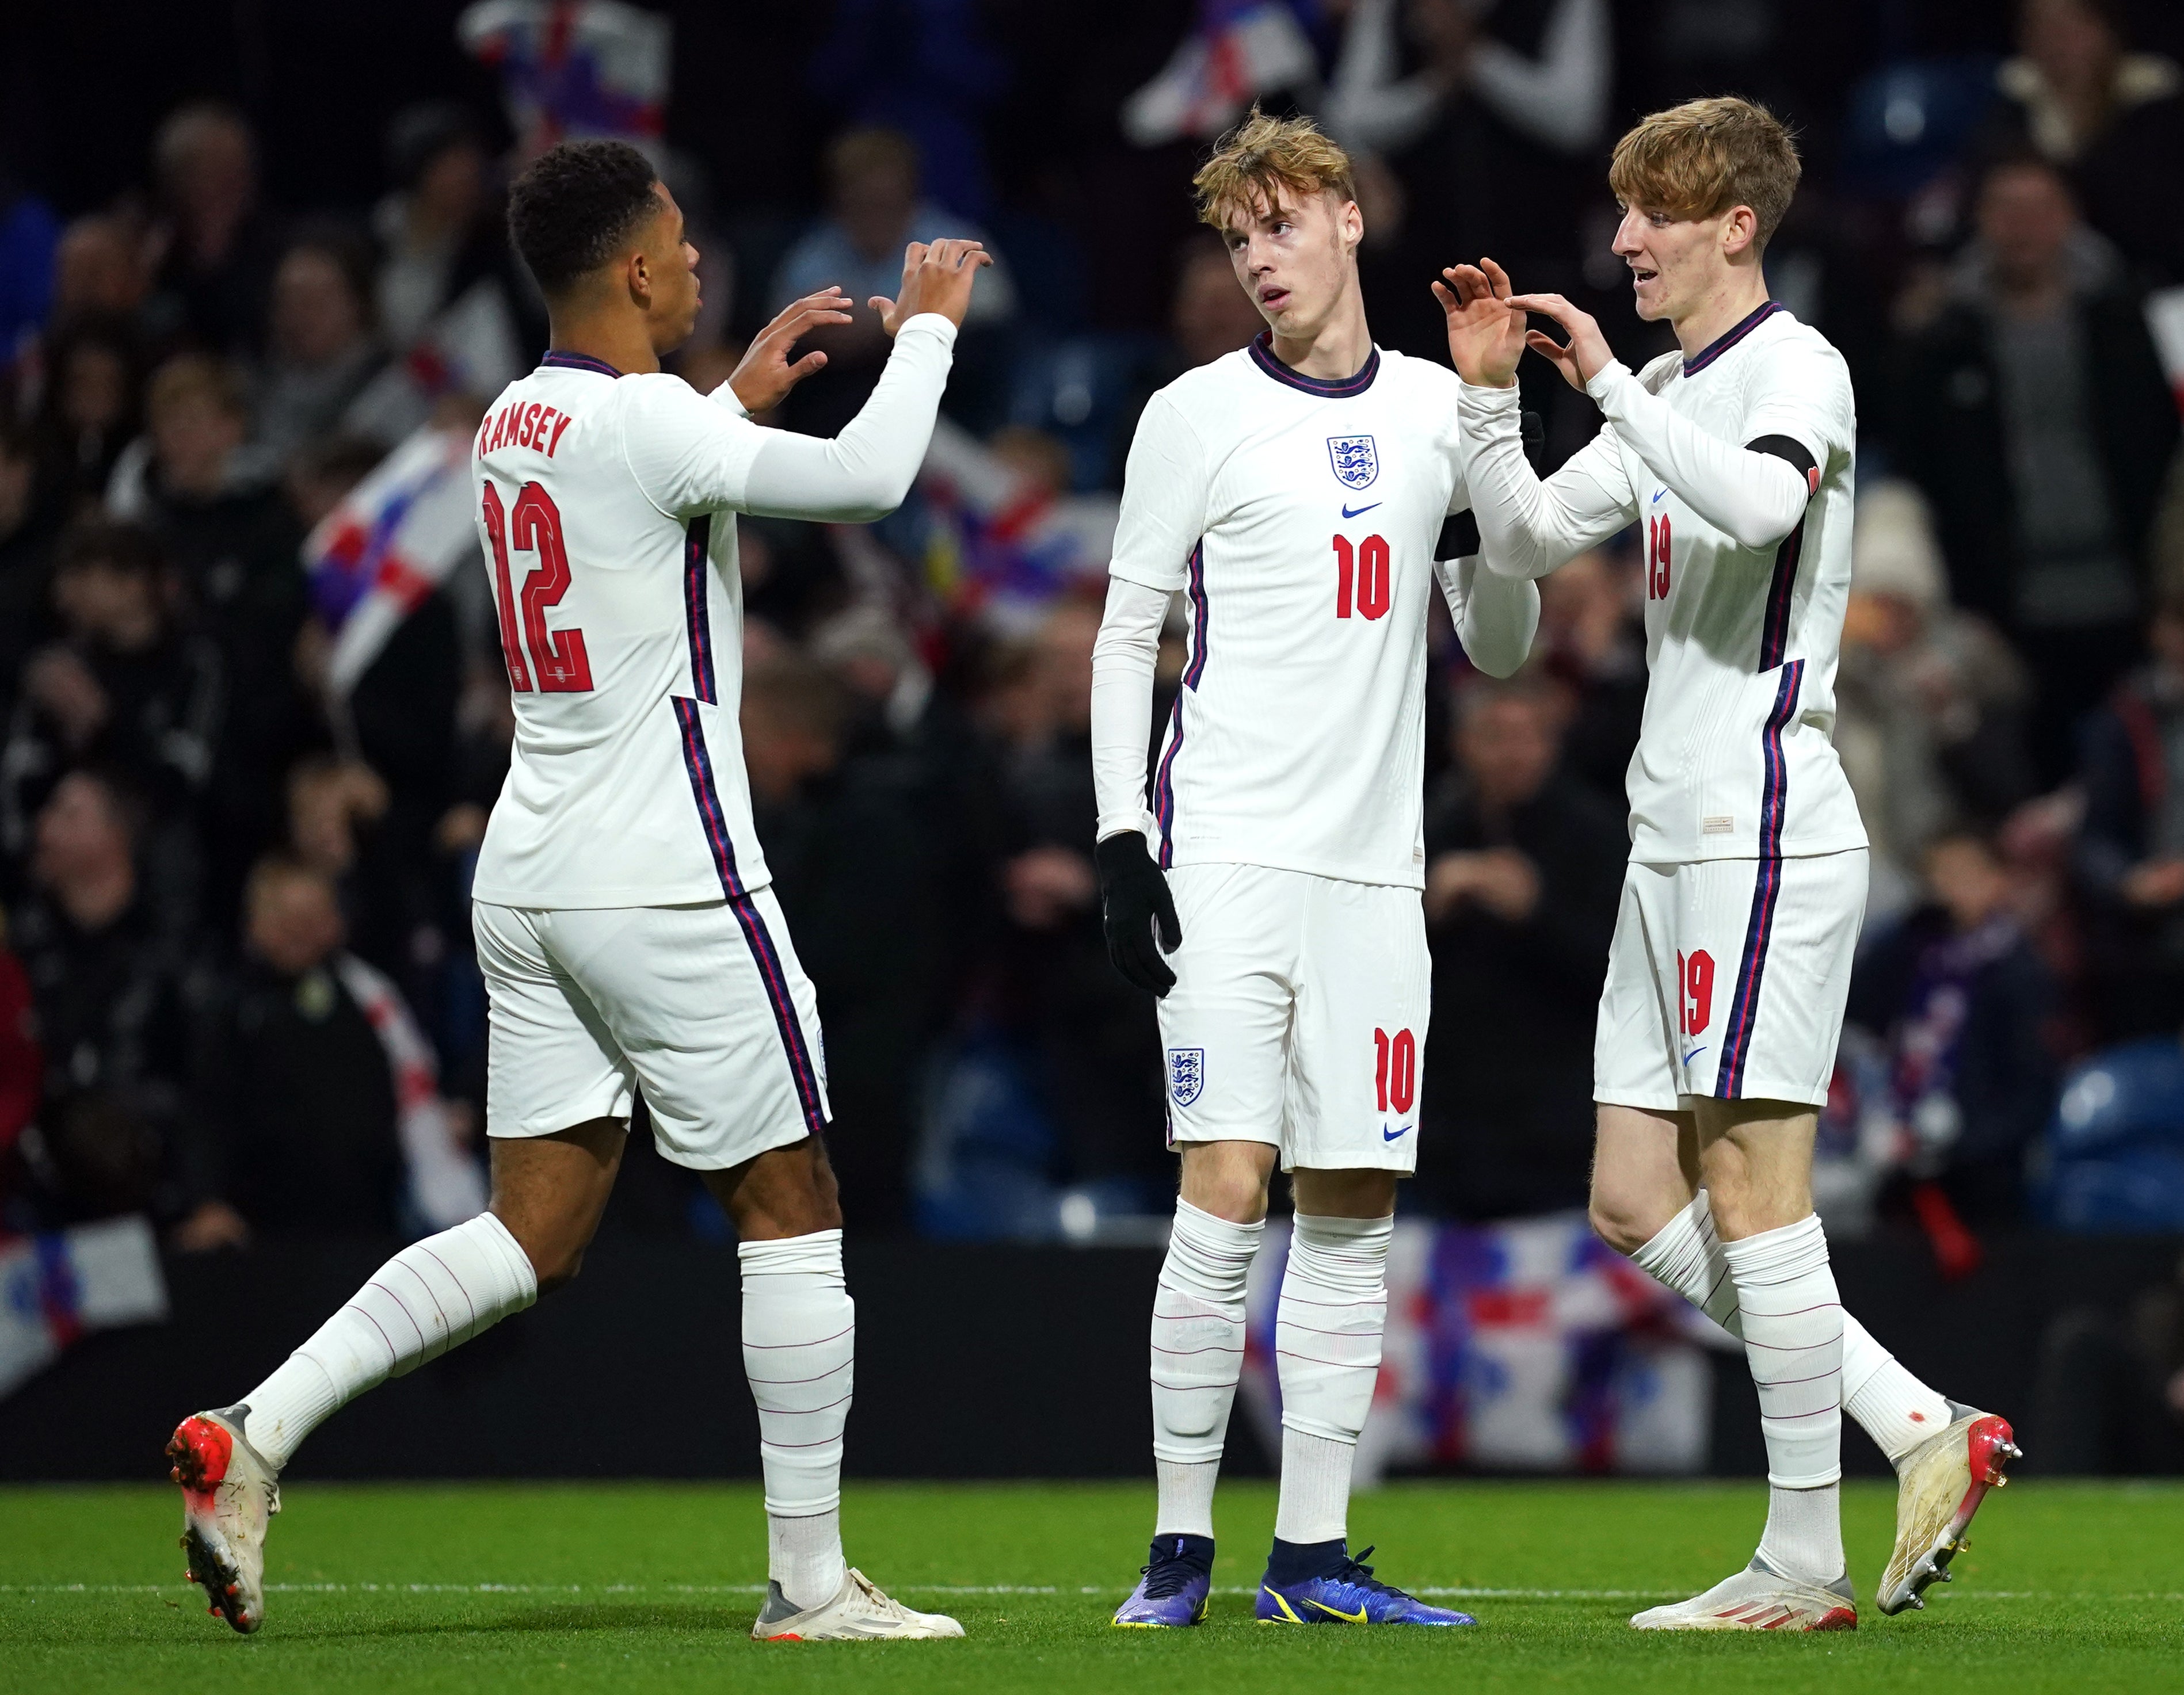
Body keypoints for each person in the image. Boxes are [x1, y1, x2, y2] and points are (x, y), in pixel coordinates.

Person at [165, 137, 990, 1643]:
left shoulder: (511, 420)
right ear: (630, 269)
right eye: (677, 244)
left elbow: (639, 491)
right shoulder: (650, 424)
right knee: (790, 1193)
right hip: (662, 873)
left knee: (531, 1234)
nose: (693, 263)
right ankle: (810, 1587)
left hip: (530, 870)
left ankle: (255, 1430)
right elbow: (868, 484)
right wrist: (928, 319)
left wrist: (729, 396)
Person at [1439, 96, 2021, 1630]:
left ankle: (1800, 1562)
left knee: (1757, 1191)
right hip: (1663, 831)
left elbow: (1760, 504)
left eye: (1652, 212)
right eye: (1623, 209)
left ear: (1734, 228)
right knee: (1634, 1196)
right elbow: (1511, 550)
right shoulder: (1679, 392)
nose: (1622, 236)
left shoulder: (1791, 367)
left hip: (1758, 823)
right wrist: (1492, 402)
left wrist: (1616, 393)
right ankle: (1914, 1425)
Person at [1089, 109, 1539, 1631]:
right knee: (1224, 1185)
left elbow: (1500, 641)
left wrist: (1492, 431)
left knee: (1350, 1206)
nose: (1256, 259)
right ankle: (1173, 1548)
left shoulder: (1434, 406)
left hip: (1371, 874)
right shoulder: (1192, 414)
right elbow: (1116, 634)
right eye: (1235, 239)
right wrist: (1115, 829)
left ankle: (1312, 1556)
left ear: (1351, 218)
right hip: (1221, 849)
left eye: (1279, 224)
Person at [1889, 155, 2178, 783]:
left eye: (2039, 210)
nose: (2023, 227)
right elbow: (1919, 467)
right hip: (2002, 608)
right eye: (2006, 210)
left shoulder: (2124, 319)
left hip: (2126, 591)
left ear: (2070, 219)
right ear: (1981, 221)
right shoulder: (1944, 340)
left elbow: (2160, 447)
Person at [1415, 677, 1625, 1221]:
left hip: (1560, 1133)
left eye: (1527, 736)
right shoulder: (1425, 833)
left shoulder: (1596, 835)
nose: (1512, 753)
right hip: (1446, 1132)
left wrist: (1536, 912)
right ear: (1463, 743)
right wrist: (1422, 915)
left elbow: (1622, 975)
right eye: (1494, 736)